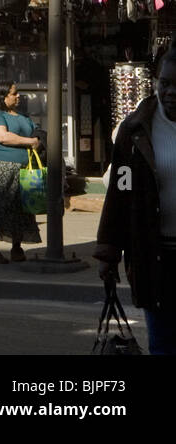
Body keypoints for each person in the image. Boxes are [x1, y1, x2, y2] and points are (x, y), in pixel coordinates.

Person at [96, 47, 176, 354]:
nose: (170, 91)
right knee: (164, 345)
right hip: (156, 259)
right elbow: (120, 192)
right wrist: (108, 250)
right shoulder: (136, 131)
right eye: (165, 82)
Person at [0, 81, 42, 263]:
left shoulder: (21, 116)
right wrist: (29, 141)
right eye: (14, 93)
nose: (18, 96)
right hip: (1, 168)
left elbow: (35, 131)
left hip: (23, 169)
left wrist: (38, 138)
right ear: (2, 96)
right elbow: (3, 136)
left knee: (21, 209)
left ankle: (16, 247)